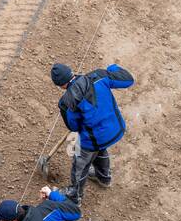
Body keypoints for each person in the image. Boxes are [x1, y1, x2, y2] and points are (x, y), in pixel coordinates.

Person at [52, 61, 134, 202]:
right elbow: (128, 79)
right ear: (72, 72)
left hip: (96, 138)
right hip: (116, 128)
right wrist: (112, 68)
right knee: (99, 148)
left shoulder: (66, 102)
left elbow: (74, 127)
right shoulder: (99, 75)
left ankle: (74, 196)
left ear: (60, 85)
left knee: (79, 162)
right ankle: (103, 177)